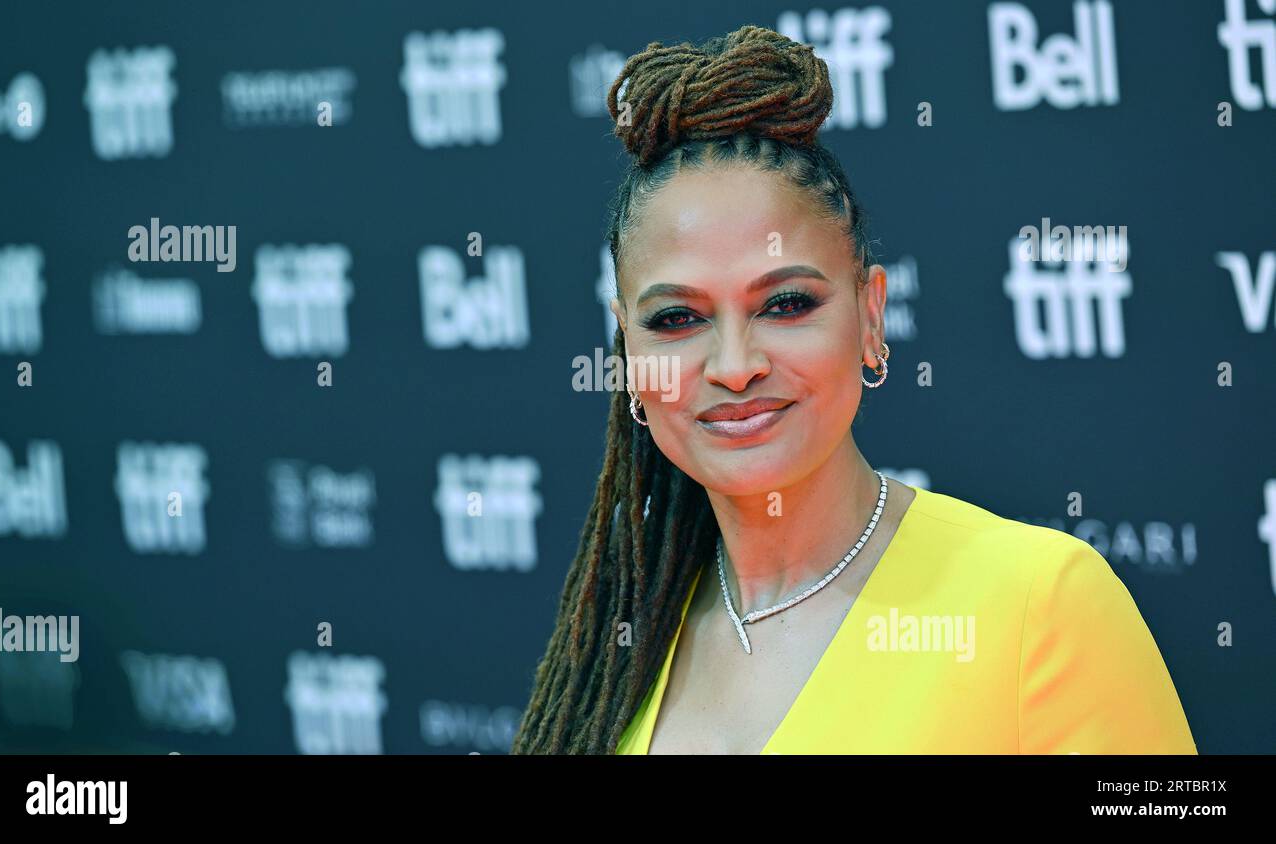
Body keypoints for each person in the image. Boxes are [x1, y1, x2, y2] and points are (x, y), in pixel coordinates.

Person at [510, 24, 1196, 755]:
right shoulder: (629, 637)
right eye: (677, 319)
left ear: (871, 315)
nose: (734, 365)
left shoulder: (1039, 603)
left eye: (787, 305)